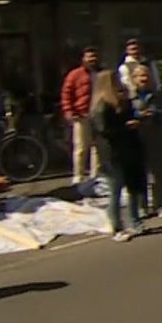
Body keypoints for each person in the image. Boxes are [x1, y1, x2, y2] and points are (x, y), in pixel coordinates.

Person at [90, 71, 145, 242]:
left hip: (128, 150)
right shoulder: (102, 106)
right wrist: (125, 127)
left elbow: (130, 117)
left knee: (133, 187)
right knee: (115, 190)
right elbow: (103, 132)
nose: (120, 83)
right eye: (116, 81)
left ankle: (135, 221)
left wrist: (136, 121)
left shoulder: (121, 102)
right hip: (113, 154)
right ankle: (116, 227)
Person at [131, 65, 162, 219]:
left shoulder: (157, 95)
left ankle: (161, 205)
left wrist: (154, 113)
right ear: (134, 79)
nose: (143, 79)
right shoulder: (130, 98)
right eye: (140, 76)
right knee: (140, 175)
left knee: (159, 174)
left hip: (157, 139)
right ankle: (143, 206)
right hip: (138, 139)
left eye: (146, 75)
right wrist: (138, 114)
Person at [61, 47, 100, 185]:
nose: (92, 59)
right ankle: (78, 175)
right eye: (89, 57)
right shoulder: (75, 74)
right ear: (83, 58)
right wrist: (69, 111)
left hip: (98, 114)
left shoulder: (99, 73)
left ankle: (95, 175)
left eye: (94, 57)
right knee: (81, 147)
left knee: (97, 147)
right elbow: (66, 93)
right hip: (81, 114)